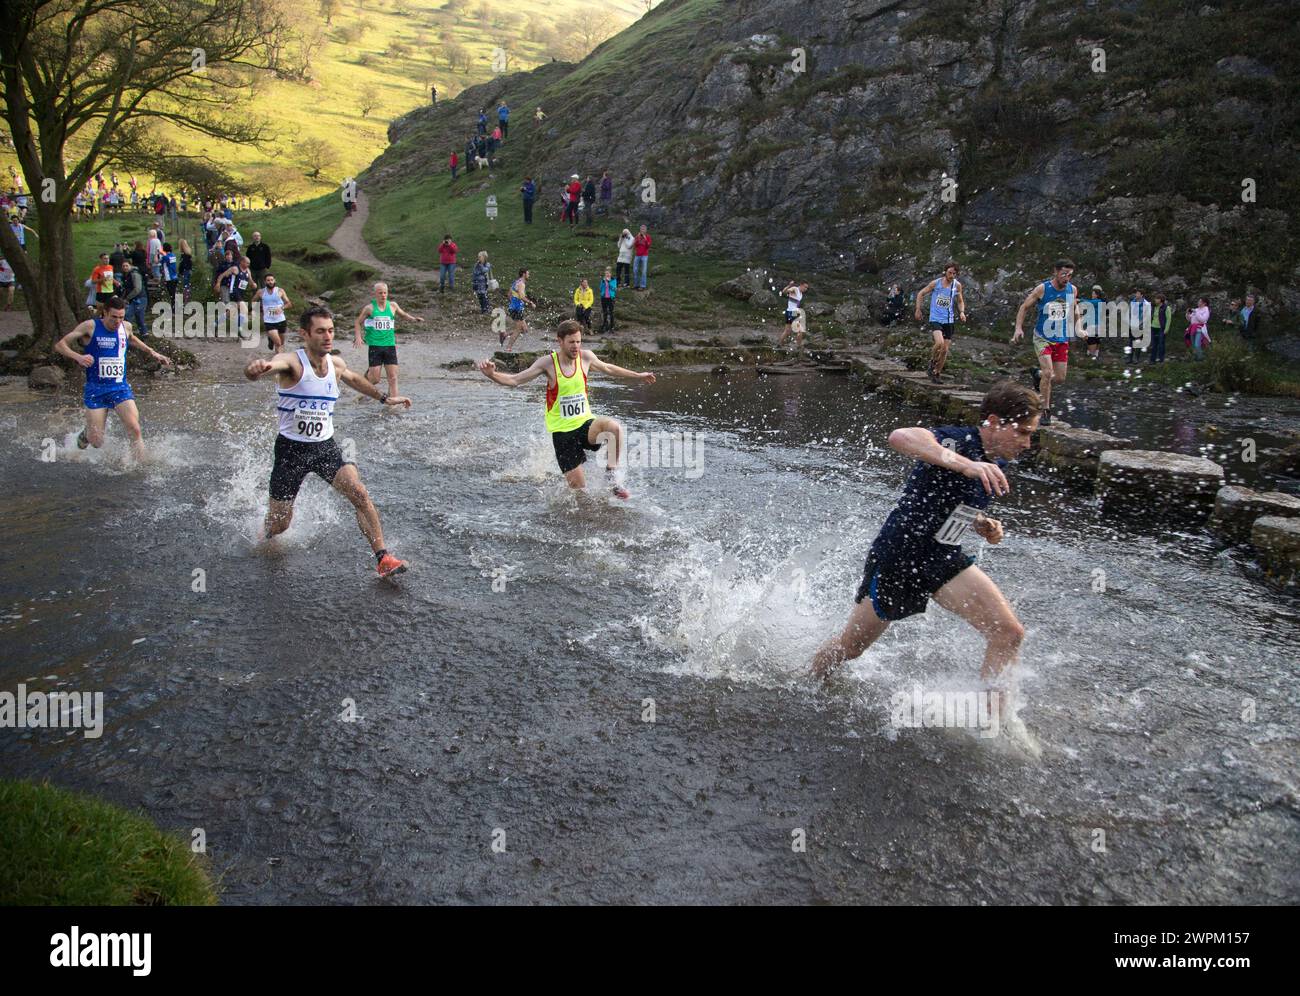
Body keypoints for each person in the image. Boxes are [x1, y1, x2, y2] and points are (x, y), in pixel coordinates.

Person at [810, 381, 1041, 739]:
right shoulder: (958, 442)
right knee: (851, 647)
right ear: (995, 422)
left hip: (942, 558)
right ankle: (806, 682)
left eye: (1031, 435)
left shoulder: (994, 463)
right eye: (1022, 432)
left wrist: (980, 522)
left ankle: (995, 727)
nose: (1027, 443)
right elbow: (901, 437)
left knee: (1008, 633)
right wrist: (966, 465)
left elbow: (945, 502)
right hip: (901, 556)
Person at [245, 306, 412, 579]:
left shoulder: (336, 364)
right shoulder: (292, 362)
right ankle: (264, 534)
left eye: (331, 331)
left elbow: (355, 379)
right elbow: (271, 365)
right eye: (321, 331)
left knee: (359, 493)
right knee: (281, 524)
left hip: (324, 447)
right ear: (305, 334)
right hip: (290, 451)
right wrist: (254, 370)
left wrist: (384, 398)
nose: (328, 336)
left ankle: (383, 558)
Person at [477, 319, 656, 500]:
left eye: (578, 341)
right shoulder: (547, 363)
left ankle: (611, 477)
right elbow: (515, 380)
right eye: (571, 342)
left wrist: (638, 375)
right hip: (563, 435)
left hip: (585, 424)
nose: (576, 346)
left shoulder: (586, 358)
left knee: (614, 428)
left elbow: (608, 368)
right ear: (560, 341)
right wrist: (492, 375)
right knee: (579, 494)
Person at [55, 296, 173, 461]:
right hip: (96, 389)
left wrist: (153, 352)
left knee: (135, 429)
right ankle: (86, 434)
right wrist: (78, 357)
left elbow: (132, 338)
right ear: (105, 313)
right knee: (96, 442)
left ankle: (141, 465)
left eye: (121, 317)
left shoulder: (126, 327)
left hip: (119, 387)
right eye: (114, 317)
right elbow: (60, 345)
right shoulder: (90, 326)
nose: (117, 321)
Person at [1012, 259, 1079, 425]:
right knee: (1049, 373)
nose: (1067, 278)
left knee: (1060, 378)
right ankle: (1045, 410)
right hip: (1042, 337)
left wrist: (1080, 328)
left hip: (1061, 338)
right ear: (1055, 272)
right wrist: (1018, 328)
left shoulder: (1072, 289)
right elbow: (1024, 307)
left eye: (1070, 275)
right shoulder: (1042, 289)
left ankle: (1038, 375)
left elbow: (1075, 309)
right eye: (1064, 274)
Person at [353, 281, 424, 399]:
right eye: (380, 293)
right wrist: (358, 337)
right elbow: (357, 322)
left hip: (390, 345)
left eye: (385, 293)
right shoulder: (369, 308)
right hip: (375, 345)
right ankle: (364, 381)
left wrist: (414, 319)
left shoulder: (393, 306)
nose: (383, 295)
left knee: (393, 377)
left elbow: (403, 314)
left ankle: (393, 404)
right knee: (375, 379)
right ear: (375, 294)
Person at [914, 263, 966, 382]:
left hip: (949, 320)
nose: (951, 275)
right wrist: (918, 309)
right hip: (935, 318)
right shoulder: (936, 283)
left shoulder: (957, 285)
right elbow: (921, 293)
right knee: (939, 343)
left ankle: (936, 373)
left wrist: (962, 312)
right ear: (945, 272)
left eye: (954, 273)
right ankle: (932, 362)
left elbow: (960, 301)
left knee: (945, 350)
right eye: (949, 273)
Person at [215, 255, 254, 333]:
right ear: (242, 262)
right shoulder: (235, 269)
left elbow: (250, 280)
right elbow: (221, 275)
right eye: (247, 263)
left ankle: (215, 324)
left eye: (249, 263)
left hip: (241, 293)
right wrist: (218, 284)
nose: (248, 265)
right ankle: (239, 328)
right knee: (244, 309)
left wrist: (253, 284)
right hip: (234, 292)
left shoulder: (248, 270)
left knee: (230, 312)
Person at [503, 268, 535, 351]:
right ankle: (508, 347)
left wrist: (512, 304)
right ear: (524, 274)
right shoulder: (521, 284)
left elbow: (509, 294)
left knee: (525, 329)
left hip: (513, 308)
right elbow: (522, 296)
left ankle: (505, 335)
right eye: (528, 274)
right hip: (517, 309)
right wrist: (531, 303)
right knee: (519, 329)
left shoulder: (516, 282)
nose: (529, 275)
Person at [259, 274, 292, 352]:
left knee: (281, 344)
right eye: (268, 280)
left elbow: (289, 304)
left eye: (272, 280)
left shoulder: (280, 291)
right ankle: (272, 339)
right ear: (265, 282)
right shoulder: (261, 292)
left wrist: (281, 308)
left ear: (274, 280)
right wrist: (259, 309)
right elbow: (253, 301)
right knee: (278, 343)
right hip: (269, 321)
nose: (270, 282)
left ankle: (277, 356)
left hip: (281, 320)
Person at [777, 280, 810, 351]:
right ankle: (799, 346)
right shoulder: (795, 289)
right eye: (805, 287)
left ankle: (779, 344)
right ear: (801, 285)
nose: (806, 289)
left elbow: (795, 304)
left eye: (807, 288)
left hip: (792, 313)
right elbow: (784, 291)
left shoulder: (801, 294)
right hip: (790, 312)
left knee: (788, 331)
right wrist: (789, 285)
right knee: (799, 330)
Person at [120, 261, 149, 335]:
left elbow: (137, 289)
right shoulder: (126, 275)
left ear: (130, 266)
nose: (125, 267)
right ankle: (144, 333)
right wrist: (122, 298)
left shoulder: (135, 274)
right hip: (135, 298)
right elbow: (126, 289)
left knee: (127, 316)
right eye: (123, 266)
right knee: (139, 317)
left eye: (126, 266)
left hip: (140, 298)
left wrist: (127, 298)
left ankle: (125, 333)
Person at [1081, 283, 1105, 361]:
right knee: (1095, 339)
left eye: (1093, 293)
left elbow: (1087, 303)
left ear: (1097, 295)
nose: (1092, 294)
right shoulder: (1099, 301)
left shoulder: (1097, 301)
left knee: (1091, 339)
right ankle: (1095, 355)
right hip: (1096, 323)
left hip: (1094, 324)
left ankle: (1092, 356)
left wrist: (1079, 299)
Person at [1150, 292, 1172, 364]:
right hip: (1153, 327)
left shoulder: (1166, 308)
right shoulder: (1154, 307)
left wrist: (1166, 329)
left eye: (1157, 299)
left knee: (1161, 344)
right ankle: (1152, 360)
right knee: (1153, 344)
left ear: (1160, 300)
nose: (1155, 300)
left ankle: (1161, 359)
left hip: (1161, 328)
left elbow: (1168, 319)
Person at [1128, 289, 1150, 359]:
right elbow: (1130, 313)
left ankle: (1136, 358)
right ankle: (1129, 358)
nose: (1136, 295)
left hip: (1141, 326)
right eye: (1136, 293)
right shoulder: (1133, 302)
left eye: (1138, 293)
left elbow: (1147, 316)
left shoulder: (1146, 304)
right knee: (1130, 342)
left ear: (1142, 295)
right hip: (1132, 325)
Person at [633, 224, 652, 290]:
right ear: (640, 230)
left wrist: (645, 238)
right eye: (641, 229)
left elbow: (648, 246)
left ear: (646, 230)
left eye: (644, 229)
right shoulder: (637, 236)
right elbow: (635, 245)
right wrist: (638, 238)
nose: (642, 230)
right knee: (635, 270)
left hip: (644, 256)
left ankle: (642, 286)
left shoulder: (648, 237)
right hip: (637, 255)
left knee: (643, 271)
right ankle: (636, 285)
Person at [599, 267, 617, 333]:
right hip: (604, 298)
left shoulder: (613, 280)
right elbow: (600, 288)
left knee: (611, 312)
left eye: (608, 273)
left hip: (611, 298)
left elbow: (614, 288)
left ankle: (612, 327)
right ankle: (605, 325)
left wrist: (609, 283)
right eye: (606, 273)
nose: (607, 275)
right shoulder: (603, 280)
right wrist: (604, 282)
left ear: (610, 274)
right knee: (605, 312)